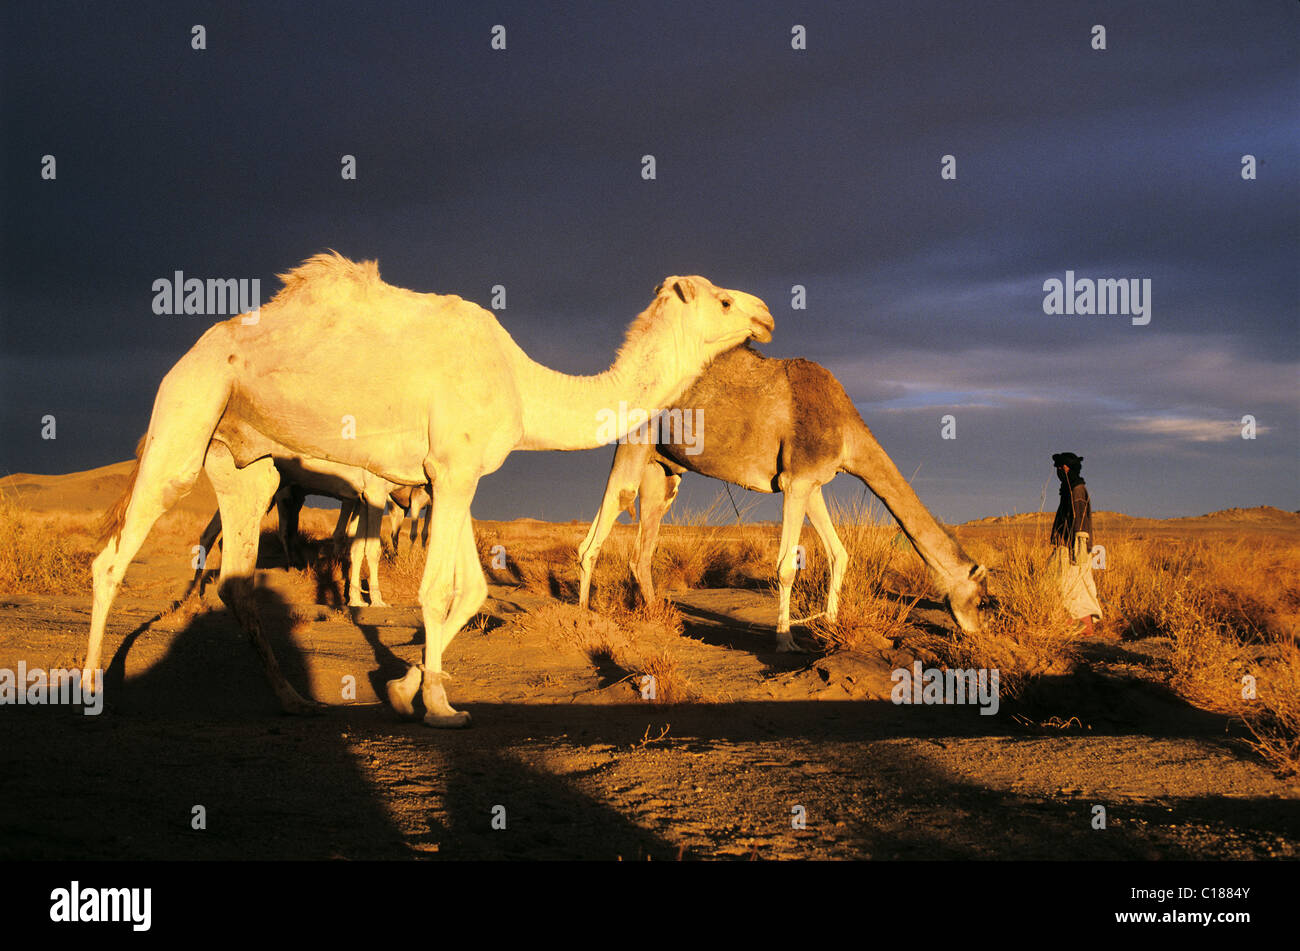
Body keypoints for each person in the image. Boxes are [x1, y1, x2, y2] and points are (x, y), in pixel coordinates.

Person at [1049, 452, 1104, 636]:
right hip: (1068, 548)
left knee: (1075, 588)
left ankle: (1085, 631)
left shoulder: (1077, 489)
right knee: (1068, 588)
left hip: (1074, 550)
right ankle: (1075, 628)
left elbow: (1080, 520)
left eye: (1061, 467)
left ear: (1068, 468)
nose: (1058, 470)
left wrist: (1078, 550)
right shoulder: (1069, 489)